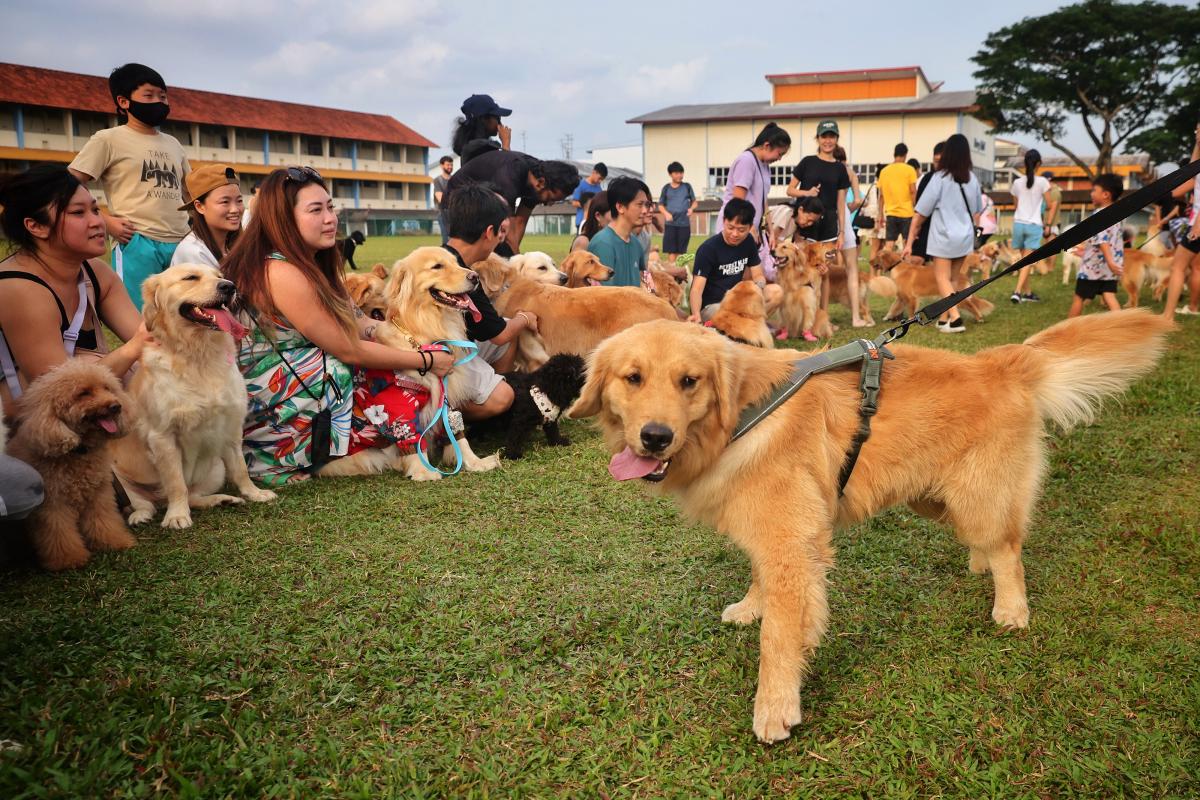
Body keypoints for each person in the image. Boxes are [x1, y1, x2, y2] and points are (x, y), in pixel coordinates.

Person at [221, 166, 452, 486]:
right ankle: (292, 453)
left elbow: (360, 322)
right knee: (348, 368)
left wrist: (404, 336)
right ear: (283, 219)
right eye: (316, 210)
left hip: (303, 384)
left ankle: (384, 439)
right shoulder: (280, 271)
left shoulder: (312, 262)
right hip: (268, 398)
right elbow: (348, 349)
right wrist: (425, 360)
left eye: (330, 207)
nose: (330, 218)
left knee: (388, 368)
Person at [0, 165, 150, 415]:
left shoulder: (95, 273)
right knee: (99, 365)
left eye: (95, 210)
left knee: (147, 371)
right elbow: (59, 390)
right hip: (20, 415)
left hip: (76, 405)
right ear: (36, 226)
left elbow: (149, 340)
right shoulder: (19, 288)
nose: (97, 222)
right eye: (78, 213)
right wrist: (132, 349)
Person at [68, 63, 191, 310]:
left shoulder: (174, 144)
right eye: (149, 95)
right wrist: (104, 221)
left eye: (163, 96)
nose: (159, 102)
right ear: (124, 102)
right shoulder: (108, 139)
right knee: (140, 315)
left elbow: (189, 192)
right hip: (137, 240)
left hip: (181, 240)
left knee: (182, 315)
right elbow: (68, 182)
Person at [442, 184, 542, 419]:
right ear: (489, 232)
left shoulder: (441, 257)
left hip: (443, 350)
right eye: (500, 232)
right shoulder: (463, 276)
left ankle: (484, 389)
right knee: (503, 397)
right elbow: (500, 335)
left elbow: (494, 329)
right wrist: (525, 318)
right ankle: (448, 411)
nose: (500, 239)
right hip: (437, 360)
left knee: (506, 327)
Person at [903, 134, 981, 334]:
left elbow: (920, 213)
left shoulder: (939, 178)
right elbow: (976, 210)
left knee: (942, 278)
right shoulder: (972, 179)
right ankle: (944, 318)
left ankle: (955, 319)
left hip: (944, 237)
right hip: (964, 237)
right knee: (952, 279)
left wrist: (909, 242)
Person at [440, 149, 578, 257]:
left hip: (483, 206)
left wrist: (515, 256)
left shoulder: (538, 183)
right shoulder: (511, 175)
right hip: (456, 202)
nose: (549, 204)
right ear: (541, 183)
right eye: (551, 198)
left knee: (498, 256)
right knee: (466, 253)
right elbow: (508, 228)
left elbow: (519, 223)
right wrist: (518, 263)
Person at [687, 198, 781, 323]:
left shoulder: (748, 242)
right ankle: (747, 325)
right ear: (724, 221)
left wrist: (757, 289)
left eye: (741, 230)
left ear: (750, 227)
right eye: (730, 227)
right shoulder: (708, 249)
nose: (735, 234)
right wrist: (696, 315)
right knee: (727, 312)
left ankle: (751, 324)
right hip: (713, 306)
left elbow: (758, 274)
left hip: (738, 300)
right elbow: (696, 290)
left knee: (776, 292)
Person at [721, 123, 793, 277]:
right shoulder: (746, 161)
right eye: (779, 153)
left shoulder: (765, 165)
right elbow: (738, 201)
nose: (779, 158)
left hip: (751, 229)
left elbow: (763, 200)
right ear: (767, 146)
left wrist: (771, 232)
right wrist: (750, 229)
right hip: (737, 228)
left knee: (752, 276)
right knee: (737, 277)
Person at [1067, 174, 1125, 318]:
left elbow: (1102, 240)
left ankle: (1069, 327)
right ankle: (1123, 325)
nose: (1091, 194)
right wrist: (1086, 253)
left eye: (1094, 190)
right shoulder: (1116, 214)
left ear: (1106, 194)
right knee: (1109, 295)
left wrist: (1109, 261)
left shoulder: (1099, 214)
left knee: (1079, 297)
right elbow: (1110, 241)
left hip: (1093, 268)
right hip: (1110, 268)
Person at [787, 120, 849, 251]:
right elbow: (790, 190)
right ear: (818, 139)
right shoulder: (807, 162)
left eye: (831, 137)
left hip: (829, 224)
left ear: (837, 139)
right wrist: (807, 193)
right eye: (824, 136)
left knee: (826, 263)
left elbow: (840, 203)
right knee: (803, 262)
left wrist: (842, 232)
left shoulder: (840, 168)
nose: (828, 141)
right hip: (806, 223)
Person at [170, 164, 243, 268]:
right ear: (199, 206)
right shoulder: (193, 252)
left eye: (239, 201)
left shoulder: (233, 246)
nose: (235, 209)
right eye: (225, 202)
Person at [1162, 123, 1200, 321]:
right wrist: (1197, 142)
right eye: (1196, 130)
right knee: (1194, 268)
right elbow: (1188, 175)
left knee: (1178, 267)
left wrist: (1198, 223)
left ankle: (1168, 316)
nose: (1197, 133)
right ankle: (1191, 307)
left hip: (1198, 225)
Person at [588, 177, 650, 287]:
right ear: (620, 207)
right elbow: (604, 293)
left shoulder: (636, 243)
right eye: (640, 204)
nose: (645, 211)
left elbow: (647, 283)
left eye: (647, 205)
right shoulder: (603, 243)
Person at [1009, 149, 1053, 304]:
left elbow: (1015, 205)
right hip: (1033, 225)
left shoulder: (1017, 183)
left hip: (1018, 224)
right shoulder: (1043, 182)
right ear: (1039, 163)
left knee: (1024, 262)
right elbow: (1049, 205)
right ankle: (1017, 292)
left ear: (1025, 163)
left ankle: (1027, 293)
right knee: (1027, 262)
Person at [832, 146, 869, 327]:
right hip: (845, 219)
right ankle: (856, 317)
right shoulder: (850, 172)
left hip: (827, 217)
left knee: (823, 269)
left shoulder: (825, 168)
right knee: (852, 269)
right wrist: (847, 210)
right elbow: (858, 200)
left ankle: (822, 316)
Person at [876, 143, 918, 251]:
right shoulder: (910, 169)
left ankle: (885, 262)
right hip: (907, 213)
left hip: (891, 213)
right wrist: (916, 209)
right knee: (907, 245)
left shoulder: (884, 171)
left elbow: (881, 196)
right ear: (905, 155)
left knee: (889, 245)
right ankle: (906, 262)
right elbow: (913, 192)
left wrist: (880, 214)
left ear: (894, 154)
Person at [909, 141, 945, 263]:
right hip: (926, 226)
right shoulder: (928, 178)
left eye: (941, 161)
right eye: (936, 161)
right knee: (919, 261)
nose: (938, 165)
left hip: (944, 232)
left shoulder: (956, 179)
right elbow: (919, 208)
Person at [451, 94, 512, 164]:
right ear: (483, 119)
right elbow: (505, 168)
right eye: (497, 118)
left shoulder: (474, 146)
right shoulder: (480, 149)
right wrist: (506, 144)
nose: (500, 124)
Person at [660, 162, 698, 266]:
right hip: (670, 224)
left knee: (681, 251)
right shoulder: (666, 188)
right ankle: (672, 271)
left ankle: (681, 271)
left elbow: (695, 202)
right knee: (671, 251)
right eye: (676, 173)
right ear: (670, 174)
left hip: (684, 224)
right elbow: (660, 205)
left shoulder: (687, 186)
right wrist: (666, 214)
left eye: (681, 173)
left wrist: (691, 209)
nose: (680, 175)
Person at [571, 163, 607, 232]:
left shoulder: (599, 188)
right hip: (582, 222)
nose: (600, 181)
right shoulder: (580, 185)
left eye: (602, 180)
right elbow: (574, 203)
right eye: (599, 178)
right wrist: (588, 205)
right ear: (594, 172)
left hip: (595, 223)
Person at [433, 155, 454, 244]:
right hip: (442, 213)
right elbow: (440, 198)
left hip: (454, 213)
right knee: (446, 238)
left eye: (451, 165)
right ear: (442, 166)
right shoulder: (438, 180)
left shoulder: (455, 179)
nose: (450, 167)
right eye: (448, 165)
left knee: (455, 239)